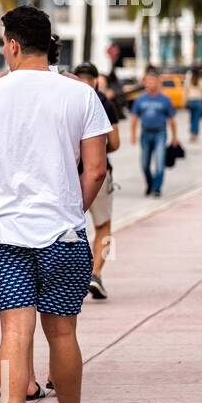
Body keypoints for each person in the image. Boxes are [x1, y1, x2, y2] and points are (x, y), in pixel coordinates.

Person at [0, 5, 109, 403]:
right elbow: (97, 168)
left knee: (13, 332)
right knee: (62, 331)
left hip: (5, 237)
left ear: (14, 45)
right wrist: (69, 209)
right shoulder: (81, 96)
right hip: (63, 235)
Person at [74, 64, 121, 301]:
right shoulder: (103, 102)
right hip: (99, 172)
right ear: (95, 80)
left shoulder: (67, 99)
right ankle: (96, 273)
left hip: (69, 174)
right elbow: (115, 142)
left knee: (69, 228)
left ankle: (70, 277)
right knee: (103, 226)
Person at [130, 67, 178, 198]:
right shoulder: (140, 99)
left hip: (160, 134)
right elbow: (134, 117)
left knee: (160, 162)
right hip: (145, 134)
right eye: (147, 81)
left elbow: (172, 119)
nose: (149, 83)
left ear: (158, 82)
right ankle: (150, 184)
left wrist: (175, 137)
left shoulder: (165, 100)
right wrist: (133, 135)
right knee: (144, 164)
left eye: (152, 81)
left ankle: (157, 188)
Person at [184, 68, 202, 143]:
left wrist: (185, 101)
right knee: (196, 119)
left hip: (190, 101)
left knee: (191, 118)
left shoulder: (188, 81)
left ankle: (192, 134)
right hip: (198, 101)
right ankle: (195, 134)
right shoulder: (201, 81)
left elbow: (185, 92)